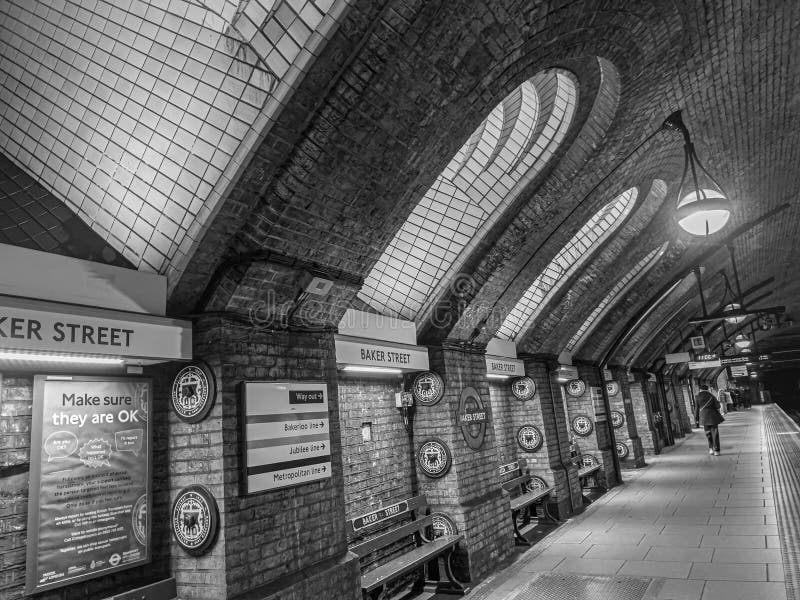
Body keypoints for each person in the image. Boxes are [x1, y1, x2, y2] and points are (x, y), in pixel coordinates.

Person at [694, 384, 724, 455]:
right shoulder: (711, 396)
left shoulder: (697, 397)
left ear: (700, 390)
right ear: (707, 389)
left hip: (704, 418)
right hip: (713, 417)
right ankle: (717, 450)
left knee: (708, 433)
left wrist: (696, 419)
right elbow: (718, 406)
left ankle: (711, 448)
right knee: (715, 434)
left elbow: (696, 409)